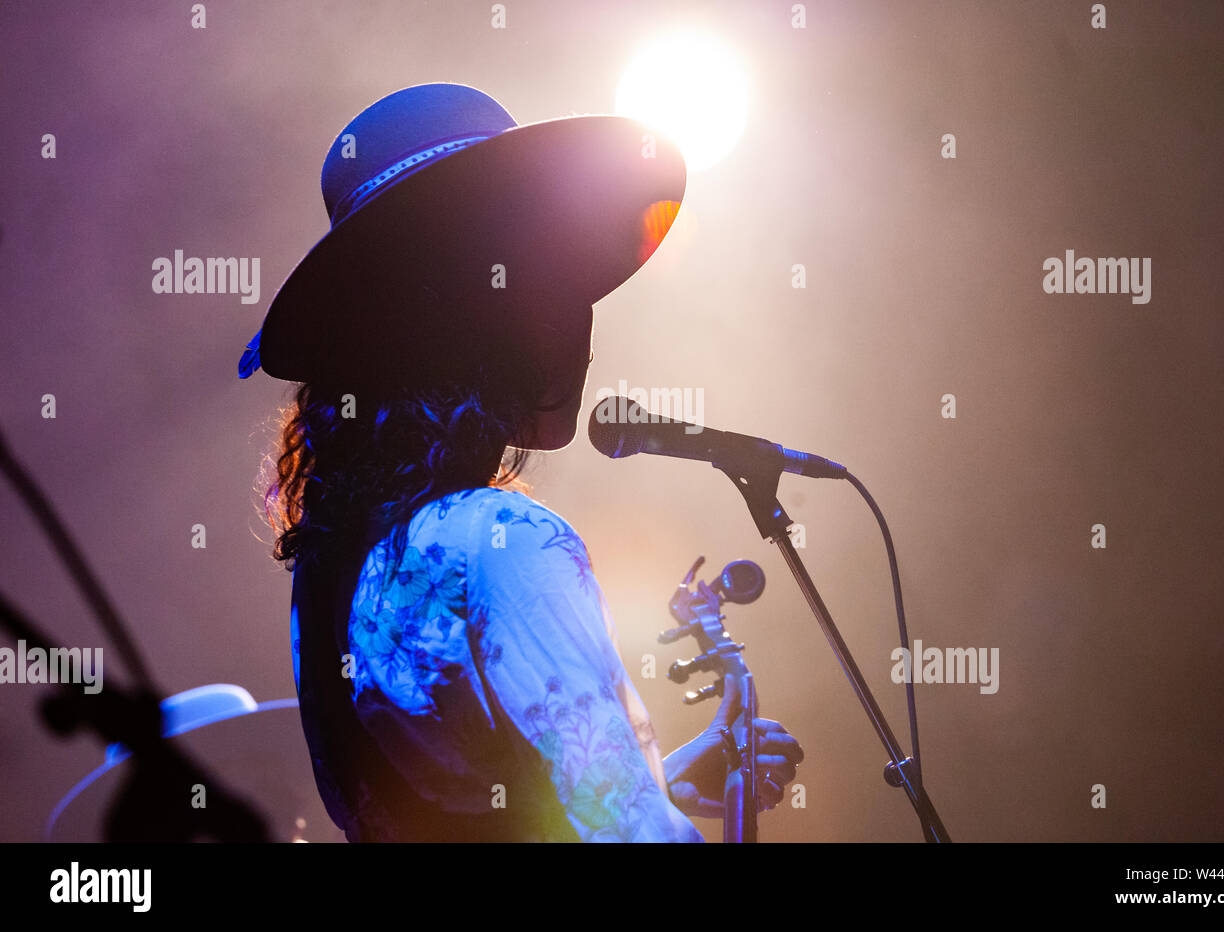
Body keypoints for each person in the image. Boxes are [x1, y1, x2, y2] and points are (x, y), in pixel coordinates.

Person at [239, 83, 802, 841]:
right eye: (553, 279)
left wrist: (663, 777)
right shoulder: (501, 538)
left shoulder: (331, 578)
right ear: (478, 312)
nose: (580, 317)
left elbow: (463, 797)